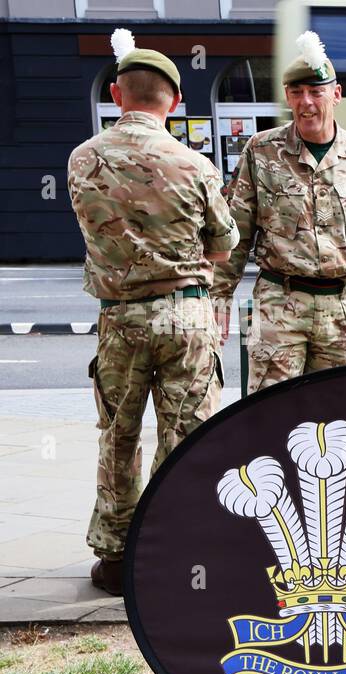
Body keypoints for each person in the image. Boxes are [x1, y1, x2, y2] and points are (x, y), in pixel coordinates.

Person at [67, 29, 238, 597]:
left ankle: (115, 558)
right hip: (185, 318)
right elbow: (224, 244)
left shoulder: (82, 160)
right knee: (185, 434)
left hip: (119, 319)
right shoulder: (196, 165)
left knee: (118, 435)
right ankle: (181, 551)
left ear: (116, 95)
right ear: (176, 102)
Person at [212, 31, 346, 391]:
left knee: (340, 416)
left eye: (316, 92)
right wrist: (219, 298)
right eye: (297, 93)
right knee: (270, 414)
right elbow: (235, 232)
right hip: (278, 307)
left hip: (341, 312)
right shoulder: (261, 151)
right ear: (287, 97)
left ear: (336, 94)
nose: (307, 103)